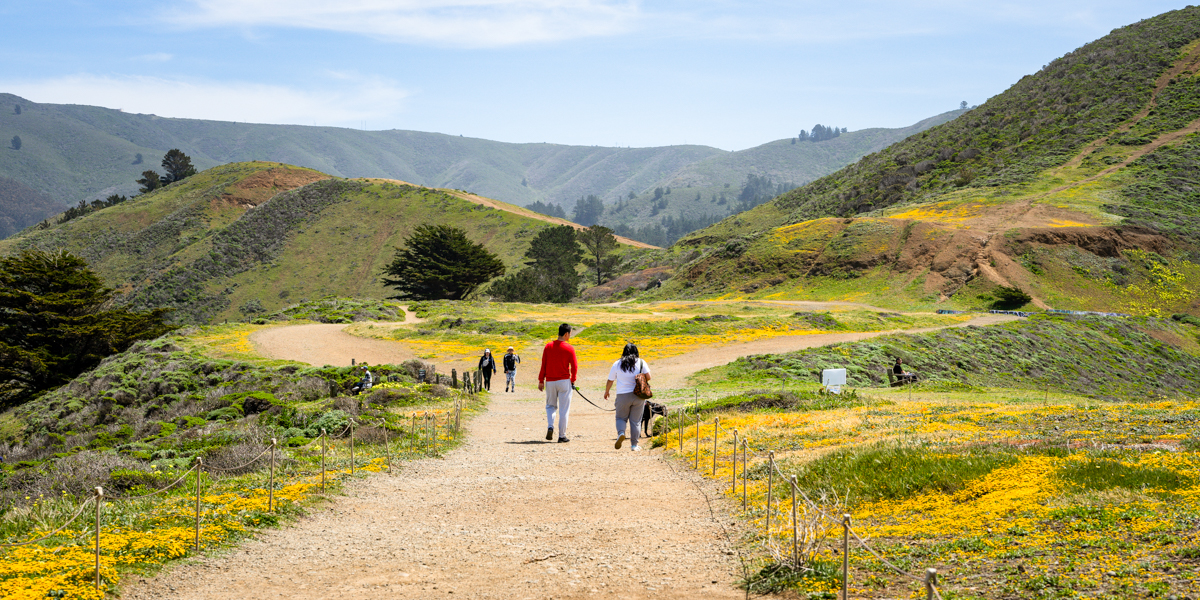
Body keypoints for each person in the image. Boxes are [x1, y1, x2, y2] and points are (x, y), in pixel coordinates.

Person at [604, 343, 651, 452]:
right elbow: (649, 377)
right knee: (635, 421)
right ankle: (634, 445)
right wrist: (639, 377)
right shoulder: (641, 362)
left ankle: (621, 433)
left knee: (621, 418)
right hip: (638, 395)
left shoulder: (617, 363)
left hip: (622, 395)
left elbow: (610, 380)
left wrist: (607, 391)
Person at [538, 323, 578, 443]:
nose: (570, 336)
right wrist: (573, 379)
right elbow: (574, 366)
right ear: (566, 334)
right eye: (570, 333)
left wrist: (541, 380)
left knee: (550, 406)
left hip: (550, 381)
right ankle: (562, 435)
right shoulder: (569, 348)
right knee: (564, 409)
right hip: (564, 381)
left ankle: (550, 426)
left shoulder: (548, 346)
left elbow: (543, 364)